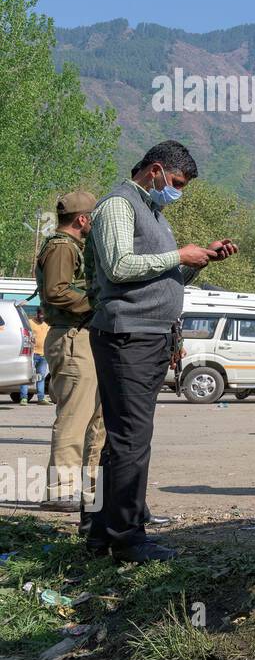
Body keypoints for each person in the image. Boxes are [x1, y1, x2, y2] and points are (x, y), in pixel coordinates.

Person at [84, 141, 238, 562]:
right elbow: (118, 266)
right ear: (155, 171)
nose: (177, 192)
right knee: (132, 439)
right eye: (176, 183)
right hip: (126, 336)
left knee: (123, 441)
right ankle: (128, 539)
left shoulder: (153, 212)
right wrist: (177, 254)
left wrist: (196, 261)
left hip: (150, 336)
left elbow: (158, 278)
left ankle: (100, 532)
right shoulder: (118, 205)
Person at [36, 192, 108, 514]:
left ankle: (92, 493)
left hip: (81, 336)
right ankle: (60, 491)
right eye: (93, 217)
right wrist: (99, 303)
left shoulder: (71, 247)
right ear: (82, 219)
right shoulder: (62, 247)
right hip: (72, 337)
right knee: (74, 418)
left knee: (96, 421)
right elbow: (57, 291)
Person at [18, 308, 51, 405]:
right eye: (41, 315)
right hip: (31, 354)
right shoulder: (29, 323)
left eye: (44, 315)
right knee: (27, 377)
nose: (43, 317)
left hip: (43, 355)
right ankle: (24, 398)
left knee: (41, 377)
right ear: (37, 314)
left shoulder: (46, 324)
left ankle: (41, 399)